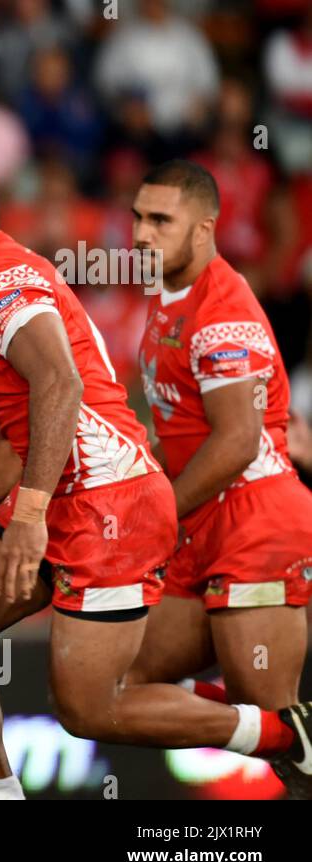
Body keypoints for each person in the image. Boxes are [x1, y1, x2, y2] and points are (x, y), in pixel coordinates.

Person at [0, 155, 312, 800]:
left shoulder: (3, 286)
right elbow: (18, 433)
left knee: (89, 709)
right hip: (74, 493)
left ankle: (283, 736)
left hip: (133, 507)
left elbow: (61, 385)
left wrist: (27, 517)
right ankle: (0, 795)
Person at [128, 160, 312, 792]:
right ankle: (290, 729)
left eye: (160, 220)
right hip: (200, 523)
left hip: (253, 520)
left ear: (204, 228)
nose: (142, 234)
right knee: (122, 684)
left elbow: (236, 442)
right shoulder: (166, 295)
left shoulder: (223, 310)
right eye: (137, 217)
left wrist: (154, 514)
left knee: (284, 746)